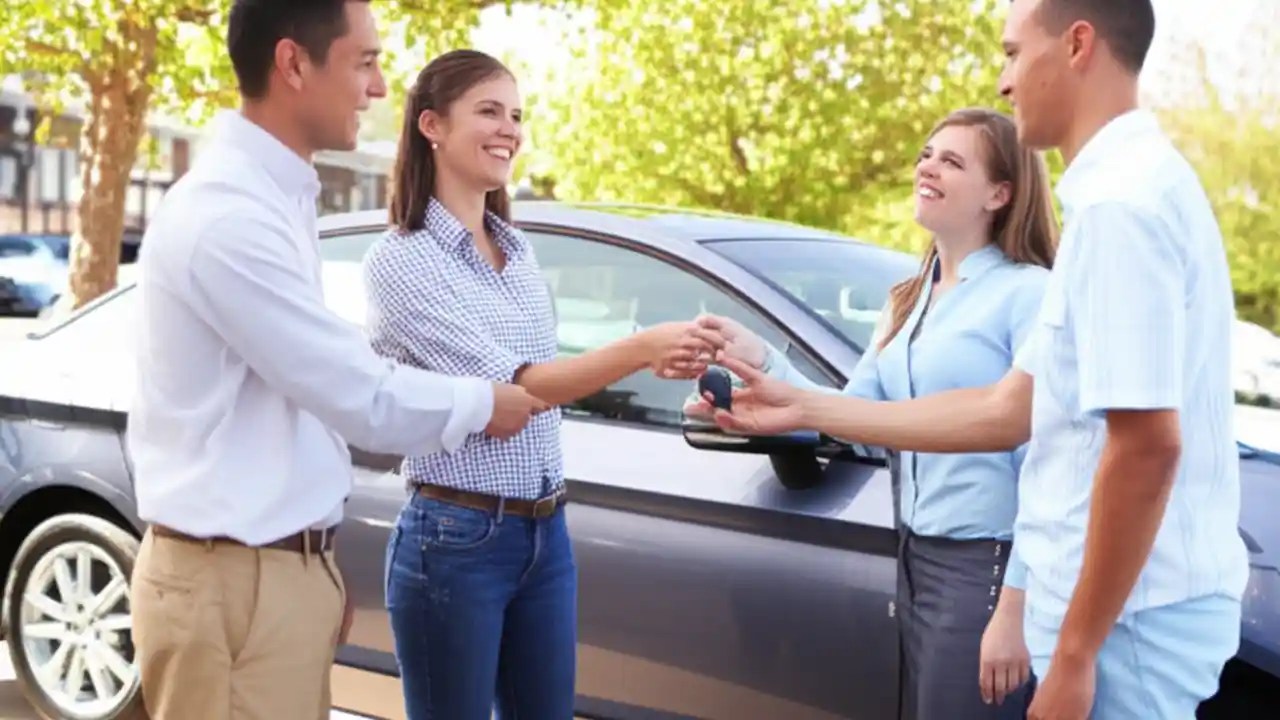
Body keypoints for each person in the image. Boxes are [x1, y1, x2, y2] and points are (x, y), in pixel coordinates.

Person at [702, 1, 1250, 718]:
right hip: (1102, 614)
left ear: (1078, 45)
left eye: (1014, 53)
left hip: (1127, 626)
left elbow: (1146, 446)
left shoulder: (1122, 208)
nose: (1003, 80)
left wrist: (1076, 653)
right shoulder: (1119, 199)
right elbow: (1011, 409)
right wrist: (792, 399)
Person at [126, 4, 550, 719]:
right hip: (234, 580)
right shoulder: (229, 216)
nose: (380, 88)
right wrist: (486, 402)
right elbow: (357, 394)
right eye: (365, 62)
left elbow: (296, 400)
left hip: (267, 571)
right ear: (293, 64)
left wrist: (312, 567)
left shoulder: (274, 197)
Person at [362, 49, 710, 720]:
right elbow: (521, 391)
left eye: (516, 115)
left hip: (546, 535)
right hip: (456, 539)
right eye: (488, 111)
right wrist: (640, 349)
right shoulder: (400, 262)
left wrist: (658, 357)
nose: (510, 130)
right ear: (431, 125)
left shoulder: (517, 253)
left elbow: (543, 386)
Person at [687, 107, 1058, 719]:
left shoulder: (1031, 294)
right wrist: (762, 362)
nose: (928, 165)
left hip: (987, 569)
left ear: (1000, 192)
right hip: (912, 559)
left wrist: (1014, 608)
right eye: (926, 153)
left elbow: (1050, 465)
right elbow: (855, 412)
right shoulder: (908, 300)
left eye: (952, 160)